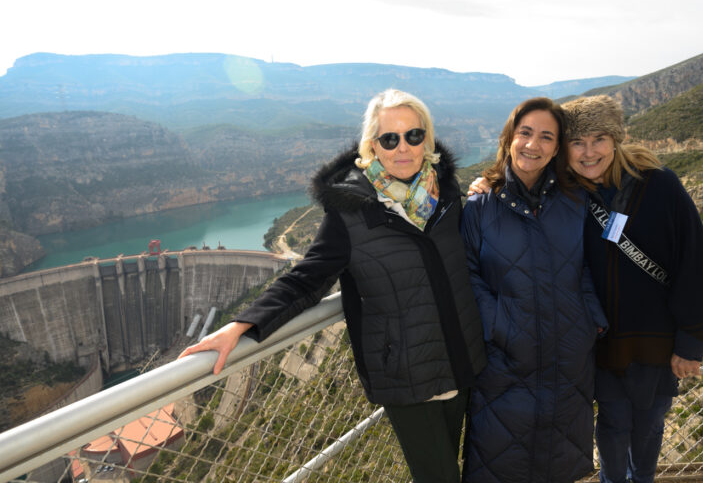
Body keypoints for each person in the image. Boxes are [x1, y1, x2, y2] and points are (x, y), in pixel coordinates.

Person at [179, 88, 487, 483]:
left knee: (451, 466)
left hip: (460, 360)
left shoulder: (446, 195)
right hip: (406, 376)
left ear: (427, 138)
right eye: (389, 139)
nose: (403, 148)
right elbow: (307, 278)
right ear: (372, 146)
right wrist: (242, 324)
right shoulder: (350, 212)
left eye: (414, 135)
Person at [558, 95, 703, 483]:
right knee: (610, 429)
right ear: (565, 149)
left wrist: (691, 344)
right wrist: (482, 185)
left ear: (616, 139)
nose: (589, 153)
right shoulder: (566, 195)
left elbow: (694, 261)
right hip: (603, 343)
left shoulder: (659, 185)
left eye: (598, 139)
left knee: (647, 432)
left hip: (658, 344)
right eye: (577, 142)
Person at [461, 97, 607, 483]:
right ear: (510, 137)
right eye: (525, 133)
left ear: (557, 148)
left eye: (546, 137)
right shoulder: (479, 206)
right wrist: (498, 326)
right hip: (505, 364)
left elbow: (592, 266)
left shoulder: (577, 201)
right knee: (498, 465)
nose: (533, 144)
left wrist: (589, 323)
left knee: (558, 468)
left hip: (569, 363)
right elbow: (468, 274)